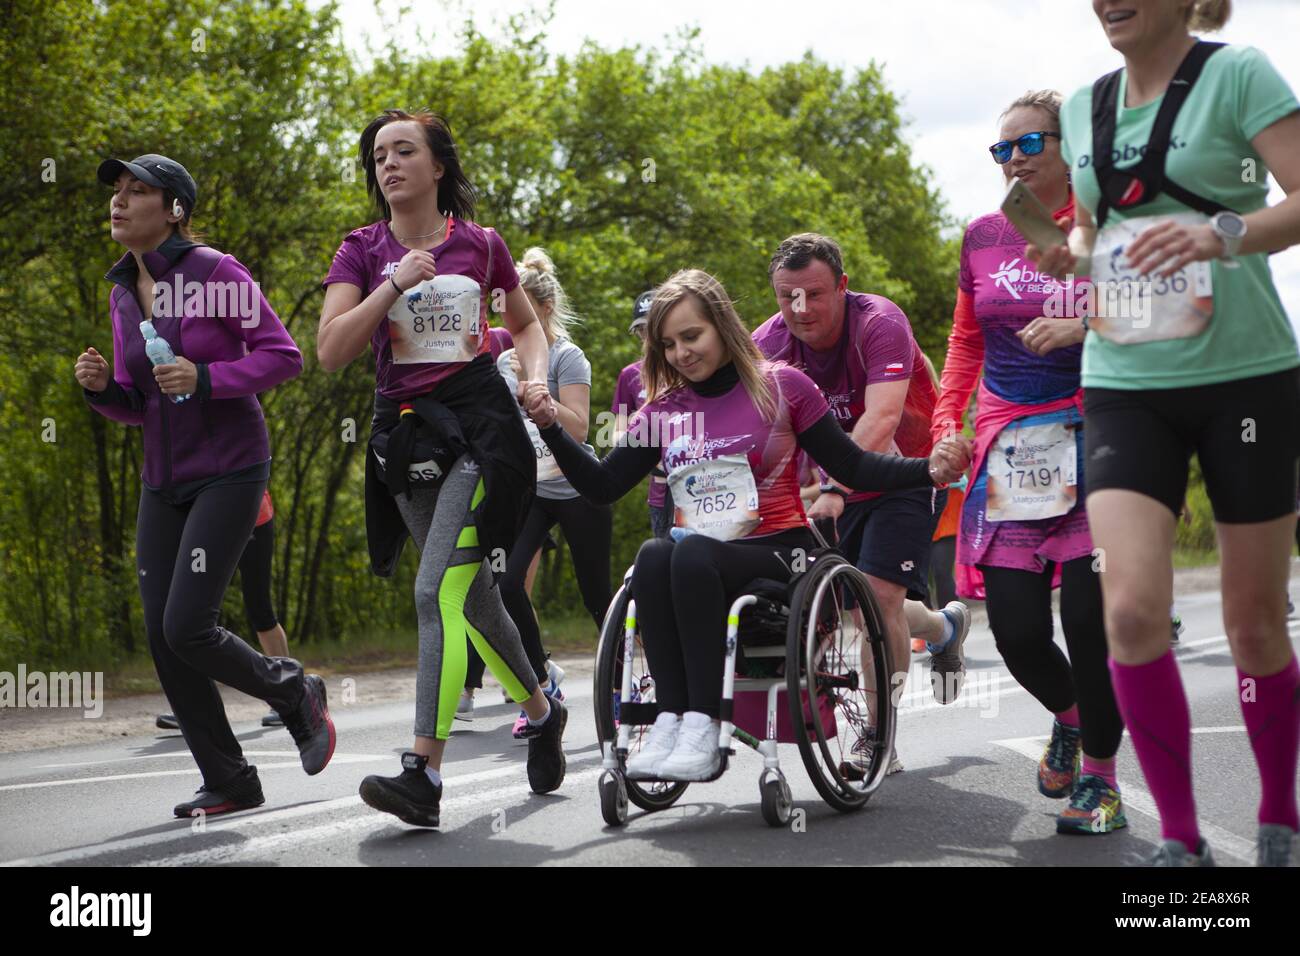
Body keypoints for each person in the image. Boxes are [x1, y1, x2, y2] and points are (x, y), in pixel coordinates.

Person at [1029, 0, 1300, 865]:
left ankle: (1279, 819)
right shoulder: (1083, 107)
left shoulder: (1240, 73)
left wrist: (1219, 232)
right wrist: (1071, 249)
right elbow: (1090, 222)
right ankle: (1181, 841)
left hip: (1245, 376)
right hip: (1124, 380)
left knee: (1254, 622)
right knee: (1135, 611)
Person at [522, 269, 971, 781]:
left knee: (687, 551)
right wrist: (552, 427)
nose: (681, 354)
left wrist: (927, 469)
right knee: (654, 554)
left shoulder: (783, 386)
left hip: (780, 552)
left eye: (691, 336)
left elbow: (852, 466)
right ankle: (672, 719)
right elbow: (602, 486)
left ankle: (704, 723)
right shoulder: (665, 410)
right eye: (668, 345)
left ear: (722, 326)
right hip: (703, 557)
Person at [317, 109, 567, 828]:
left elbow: (525, 324)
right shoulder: (361, 251)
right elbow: (331, 351)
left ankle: (422, 773)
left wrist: (537, 377)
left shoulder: (482, 245)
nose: (387, 165)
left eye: (403, 152)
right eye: (377, 157)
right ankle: (543, 712)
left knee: (436, 593)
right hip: (406, 437)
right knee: (477, 600)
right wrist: (392, 285)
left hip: (483, 431)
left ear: (437, 168)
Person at [76, 153, 332, 818]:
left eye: (139, 192)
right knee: (165, 636)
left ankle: (292, 689)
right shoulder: (119, 293)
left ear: (175, 210)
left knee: (189, 623)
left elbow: (284, 355)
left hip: (230, 468)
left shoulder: (215, 272)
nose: (120, 202)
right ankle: (229, 778)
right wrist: (104, 391)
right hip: (162, 480)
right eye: (118, 192)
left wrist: (208, 378)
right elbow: (143, 402)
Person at [934, 90, 1126, 835]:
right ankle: (1073, 718)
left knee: (1085, 615)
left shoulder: (1109, 225)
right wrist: (949, 420)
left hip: (1100, 425)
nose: (1013, 159)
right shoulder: (984, 234)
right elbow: (965, 340)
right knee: (1014, 630)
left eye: (1028, 144)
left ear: (1069, 145)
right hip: (1012, 448)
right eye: (1001, 149)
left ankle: (1102, 781)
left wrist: (1087, 320)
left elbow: (1171, 312)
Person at [753, 234, 972, 748]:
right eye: (788, 297)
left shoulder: (879, 322)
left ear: (843, 286)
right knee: (854, 611)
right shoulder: (767, 345)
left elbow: (883, 418)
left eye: (814, 294)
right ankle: (943, 627)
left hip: (907, 472)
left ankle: (879, 733)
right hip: (828, 486)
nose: (800, 309)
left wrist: (832, 484)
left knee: (877, 597)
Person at [494, 247, 612, 737]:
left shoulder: (568, 357)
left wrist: (539, 398)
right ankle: (543, 683)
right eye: (500, 307)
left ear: (539, 307)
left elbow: (581, 428)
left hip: (578, 486)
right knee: (505, 584)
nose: (505, 316)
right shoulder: (503, 360)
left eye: (513, 305)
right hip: (532, 490)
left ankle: (625, 685)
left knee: (596, 597)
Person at [157, 487, 291, 729]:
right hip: (205, 520)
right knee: (190, 612)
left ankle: (287, 695)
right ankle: (192, 705)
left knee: (260, 610)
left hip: (253, 516)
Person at [611, 290, 675, 537]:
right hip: (659, 491)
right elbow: (615, 433)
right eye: (641, 331)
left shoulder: (690, 365)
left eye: (652, 329)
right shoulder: (630, 376)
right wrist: (641, 449)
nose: (648, 338)